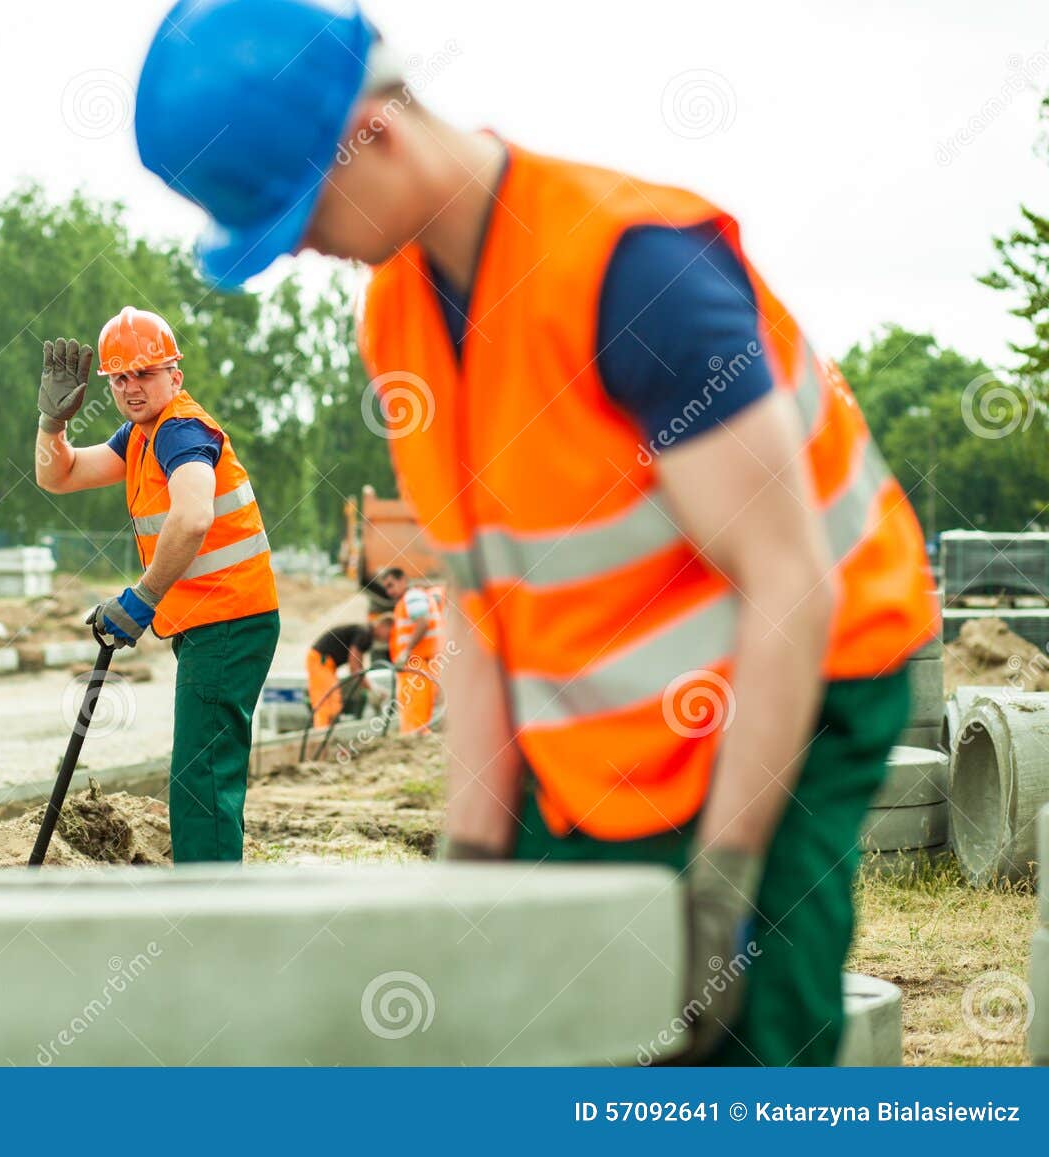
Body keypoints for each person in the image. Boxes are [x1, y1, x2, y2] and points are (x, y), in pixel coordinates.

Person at [133, 0, 939, 1064]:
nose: (305, 252)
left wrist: (722, 882)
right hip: (611, 709)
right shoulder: (400, 317)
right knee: (549, 1010)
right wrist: (474, 859)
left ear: (371, 128)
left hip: (806, 670)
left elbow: (788, 582)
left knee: (747, 1026)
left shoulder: (634, 271)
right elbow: (483, 600)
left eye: (304, 213)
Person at [33, 308, 280, 863]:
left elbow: (191, 517)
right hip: (212, 620)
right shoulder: (140, 437)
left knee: (201, 776)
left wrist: (140, 599)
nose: (131, 387)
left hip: (229, 619)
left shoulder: (182, 432)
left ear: (176, 375)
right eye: (119, 378)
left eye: (144, 373)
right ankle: (211, 900)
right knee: (205, 768)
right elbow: (59, 475)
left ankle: (207, 911)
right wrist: (52, 423)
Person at [375, 569, 445, 736]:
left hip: (417, 662)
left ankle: (412, 738)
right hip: (422, 661)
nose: (389, 591)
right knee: (418, 711)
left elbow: (422, 621)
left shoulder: (412, 597)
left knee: (413, 711)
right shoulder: (413, 598)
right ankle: (416, 738)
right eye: (386, 587)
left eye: (391, 585)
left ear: (403, 580)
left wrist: (406, 652)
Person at [306, 621, 373, 728]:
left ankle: (327, 732)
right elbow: (355, 667)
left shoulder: (362, 633)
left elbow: (357, 667)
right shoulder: (364, 634)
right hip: (320, 661)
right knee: (327, 700)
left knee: (332, 699)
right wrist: (371, 690)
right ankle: (322, 734)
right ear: (383, 626)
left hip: (325, 663)